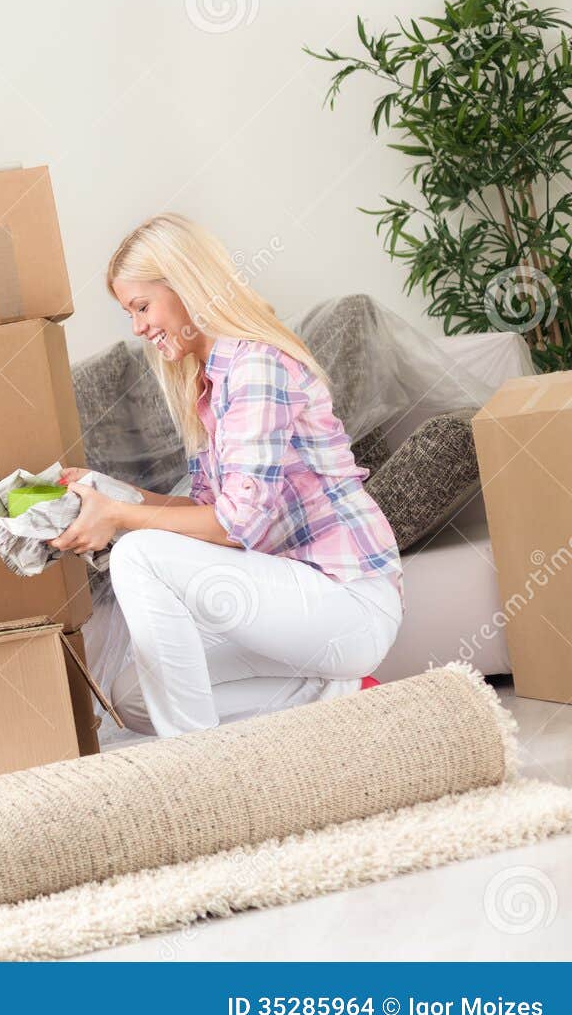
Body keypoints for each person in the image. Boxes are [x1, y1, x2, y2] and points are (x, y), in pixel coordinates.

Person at [55, 213, 404, 739]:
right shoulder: (207, 387)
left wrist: (121, 520)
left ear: (185, 285)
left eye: (141, 307)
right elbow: (206, 513)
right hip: (290, 607)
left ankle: (204, 763)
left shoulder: (257, 368)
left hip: (346, 601)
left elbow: (235, 526)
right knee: (132, 698)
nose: (138, 328)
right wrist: (113, 494)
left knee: (136, 553)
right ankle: (341, 695)